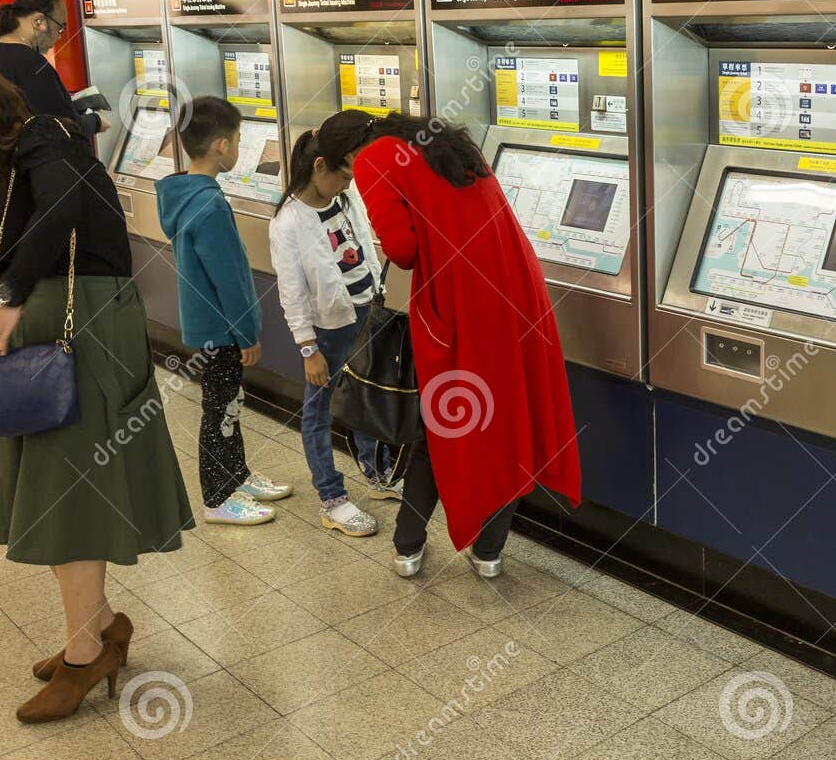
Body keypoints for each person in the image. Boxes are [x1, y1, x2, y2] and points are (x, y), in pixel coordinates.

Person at [0, 48, 195, 723]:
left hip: (84, 332)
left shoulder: (46, 135)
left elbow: (56, 215)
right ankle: (103, 627)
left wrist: (11, 297)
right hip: (55, 340)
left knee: (69, 500)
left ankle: (87, 654)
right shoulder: (9, 165)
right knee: (61, 496)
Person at [310, 111, 581, 578]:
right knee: (509, 419)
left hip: (464, 305)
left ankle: (408, 545)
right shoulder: (442, 140)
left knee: (445, 423)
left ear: (351, 155)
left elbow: (403, 251)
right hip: (518, 291)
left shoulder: (374, 160)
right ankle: (489, 551)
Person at [155, 97, 292, 526]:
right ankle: (217, 496)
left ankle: (236, 474)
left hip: (207, 323)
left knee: (229, 400)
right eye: (236, 140)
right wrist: (247, 332)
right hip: (222, 328)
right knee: (220, 408)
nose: (238, 148)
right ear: (219, 146)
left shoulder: (183, 193)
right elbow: (230, 278)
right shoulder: (211, 205)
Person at [270, 128, 396, 536]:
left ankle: (377, 471)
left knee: (366, 396)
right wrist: (308, 349)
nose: (348, 184)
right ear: (318, 166)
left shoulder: (344, 196)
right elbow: (291, 291)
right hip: (329, 330)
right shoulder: (288, 222)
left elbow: (363, 245)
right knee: (319, 410)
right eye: (343, 175)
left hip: (367, 312)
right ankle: (331, 498)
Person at [0, 0, 104, 137]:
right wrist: (97, 121)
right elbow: (64, 128)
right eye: (60, 28)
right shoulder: (30, 62)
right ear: (38, 21)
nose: (59, 38)